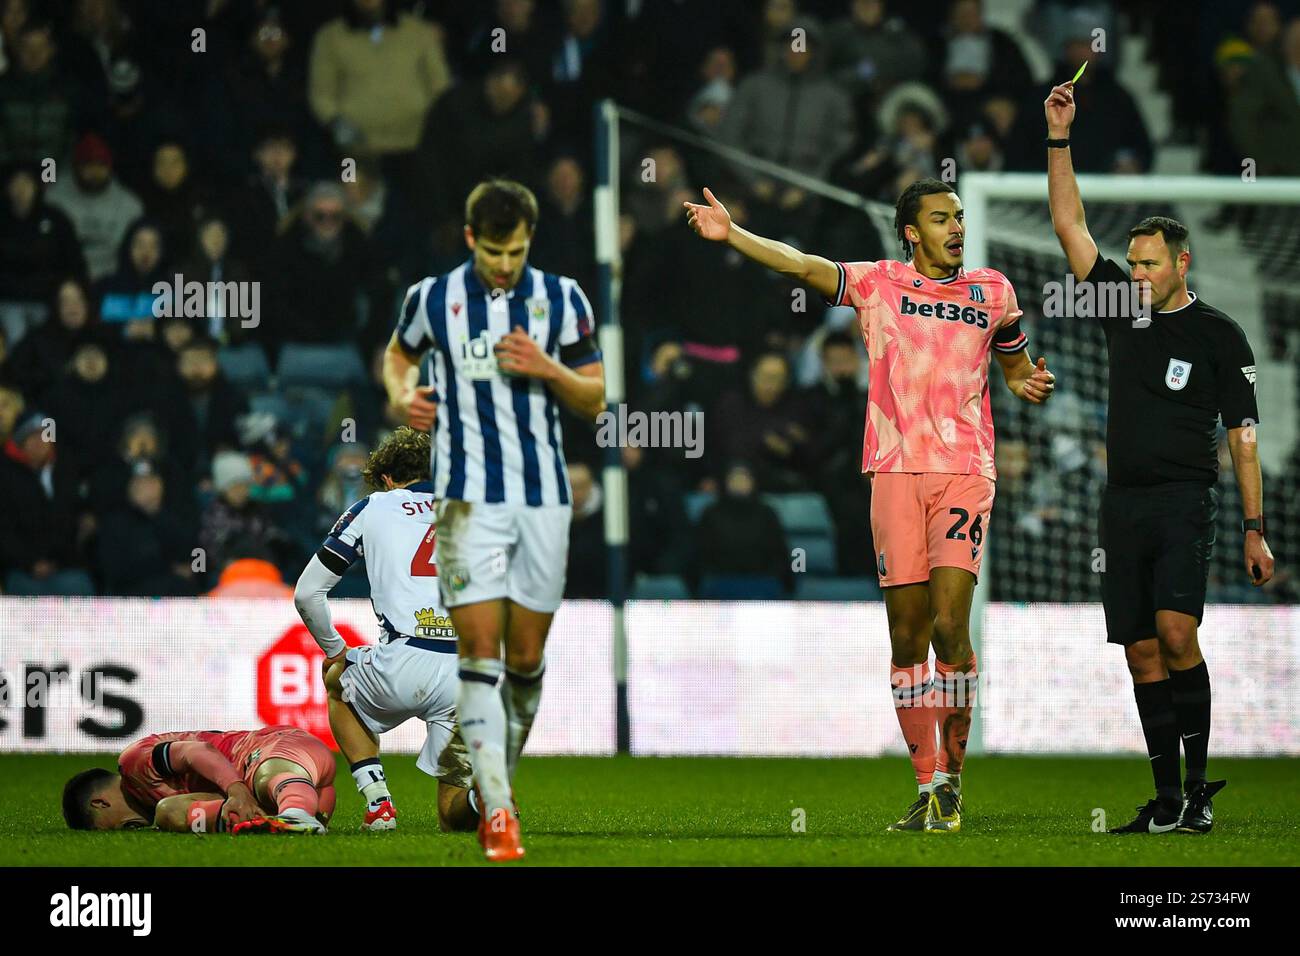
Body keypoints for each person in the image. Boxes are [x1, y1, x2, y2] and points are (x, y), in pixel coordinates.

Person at [684, 179, 1054, 833]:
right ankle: (924, 786)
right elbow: (800, 264)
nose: (956, 226)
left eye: (959, 216)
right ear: (912, 231)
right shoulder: (879, 283)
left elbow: (1014, 360)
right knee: (908, 636)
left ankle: (952, 780)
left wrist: (1026, 380)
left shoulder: (992, 292)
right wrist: (733, 233)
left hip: (965, 471)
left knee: (948, 627)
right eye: (941, 218)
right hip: (891, 473)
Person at [1045, 79, 1274, 835]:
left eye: (1148, 264)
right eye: (1132, 263)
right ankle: (1167, 799)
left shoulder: (1219, 336)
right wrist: (1058, 137)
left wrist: (1254, 525)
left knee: (1178, 636)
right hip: (1123, 504)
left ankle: (1199, 789)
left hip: (1184, 503)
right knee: (1142, 652)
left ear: (1180, 264)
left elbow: (1243, 438)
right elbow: (1070, 224)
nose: (1135, 275)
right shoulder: (1119, 310)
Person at [382, 179, 604, 860]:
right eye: (497, 251)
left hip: (543, 500)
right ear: (471, 239)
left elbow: (595, 397)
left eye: (519, 250)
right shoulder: (431, 298)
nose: (507, 263)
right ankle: (498, 810)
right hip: (465, 501)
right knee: (479, 654)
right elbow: (398, 356)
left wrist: (548, 370)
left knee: (527, 660)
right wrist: (401, 398)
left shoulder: (563, 298)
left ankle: (497, 778)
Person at [293, 426, 478, 834]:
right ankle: (485, 801)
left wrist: (336, 651)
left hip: (402, 658)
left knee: (338, 685)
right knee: (453, 816)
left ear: (389, 478)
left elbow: (308, 594)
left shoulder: (374, 506)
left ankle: (378, 803)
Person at [62, 725, 337, 834]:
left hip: (283, 752)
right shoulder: (160, 805)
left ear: (100, 803)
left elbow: (196, 751)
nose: (127, 830)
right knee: (170, 813)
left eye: (115, 829)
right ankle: (281, 820)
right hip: (315, 797)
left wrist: (236, 789)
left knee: (264, 778)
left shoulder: (133, 763)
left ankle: (296, 815)